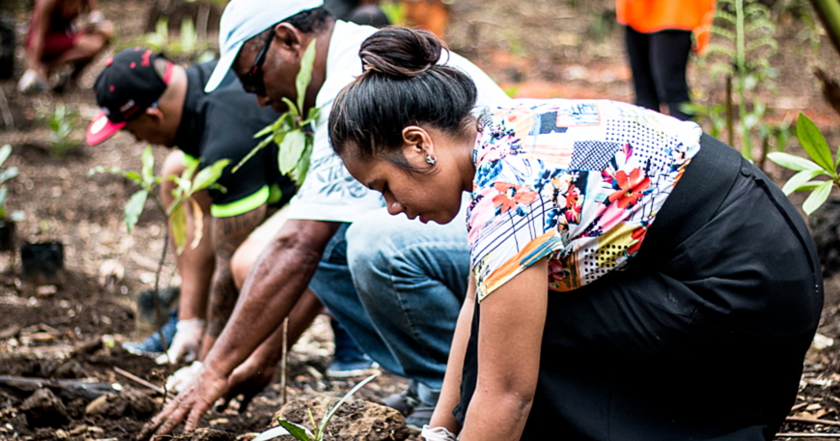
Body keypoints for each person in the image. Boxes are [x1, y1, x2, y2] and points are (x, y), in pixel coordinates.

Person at [327, 27, 824, 441]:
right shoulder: (498, 135)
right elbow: (477, 303)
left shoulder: (508, 186)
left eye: (385, 187)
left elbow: (507, 394)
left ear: (418, 145)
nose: (392, 208)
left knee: (519, 345)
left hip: (742, 291)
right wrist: (440, 431)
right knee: (501, 324)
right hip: (763, 265)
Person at [138, 0, 509, 438]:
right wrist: (263, 359)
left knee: (375, 244)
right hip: (473, 228)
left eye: (254, 78)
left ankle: (452, 389)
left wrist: (213, 370)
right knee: (348, 237)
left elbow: (300, 245)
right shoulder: (354, 59)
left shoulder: (348, 84)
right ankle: (433, 384)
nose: (259, 98)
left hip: (504, 224)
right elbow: (323, 245)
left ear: (289, 41)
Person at [85, 48, 327, 376]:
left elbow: (226, 271)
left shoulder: (227, 138)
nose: (140, 141)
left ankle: (346, 334)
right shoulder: (202, 80)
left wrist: (207, 365)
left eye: (132, 131)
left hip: (325, 199)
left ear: (154, 117)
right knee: (176, 172)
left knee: (246, 266)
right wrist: (191, 323)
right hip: (270, 175)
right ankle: (188, 323)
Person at [616, 0, 716, 121]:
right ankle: (648, 139)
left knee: (673, 92)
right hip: (636, 10)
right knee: (644, 96)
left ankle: (689, 138)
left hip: (675, 10)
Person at [20, 0, 113, 93]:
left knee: (107, 31)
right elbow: (38, 35)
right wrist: (32, 69)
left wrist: (97, 25)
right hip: (45, 42)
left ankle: (69, 79)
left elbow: (94, 17)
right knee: (91, 45)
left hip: (64, 36)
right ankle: (44, 69)